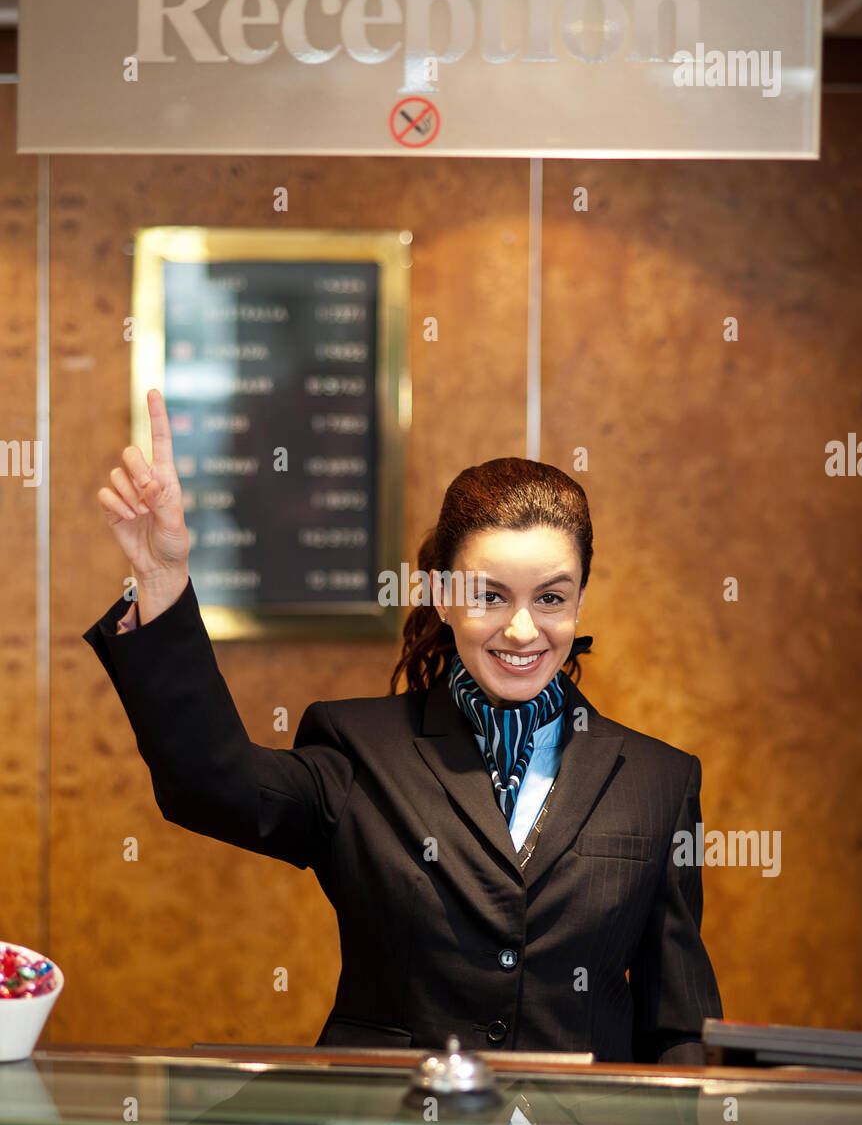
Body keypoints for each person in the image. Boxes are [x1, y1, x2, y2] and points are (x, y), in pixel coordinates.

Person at [83, 388, 723, 1062]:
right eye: (489, 595)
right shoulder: (359, 749)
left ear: (579, 601)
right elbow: (207, 782)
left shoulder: (659, 781)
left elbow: (676, 1025)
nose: (522, 629)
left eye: (551, 598)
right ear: (442, 596)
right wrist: (161, 580)